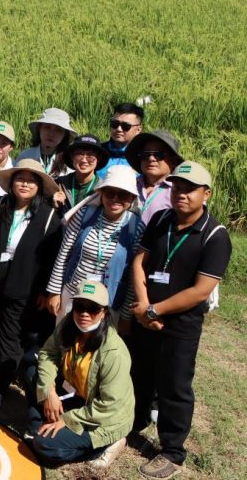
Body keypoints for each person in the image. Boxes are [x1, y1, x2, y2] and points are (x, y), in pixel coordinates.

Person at [128, 162, 231, 480]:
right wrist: (144, 305)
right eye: (176, 187)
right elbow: (139, 260)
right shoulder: (161, 219)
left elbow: (201, 291)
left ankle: (172, 451)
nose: (181, 194)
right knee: (140, 372)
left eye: (189, 188)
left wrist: (155, 310)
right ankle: (133, 423)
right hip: (148, 315)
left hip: (181, 324)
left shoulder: (215, 236)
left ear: (206, 193)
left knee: (174, 385)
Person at [0, 159, 63, 410]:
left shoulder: (48, 217)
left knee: (11, 334)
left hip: (24, 284)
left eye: (31, 180)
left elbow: (51, 258)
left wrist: (46, 291)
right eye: (20, 178)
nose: (24, 184)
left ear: (39, 186)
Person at [28, 282, 134, 470]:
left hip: (101, 417)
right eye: (79, 307)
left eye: (93, 309)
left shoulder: (114, 352)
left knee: (44, 446)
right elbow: (47, 354)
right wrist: (49, 392)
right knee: (30, 369)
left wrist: (67, 419)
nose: (84, 313)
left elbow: (109, 406)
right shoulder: (68, 325)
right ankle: (42, 425)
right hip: (74, 393)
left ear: (103, 312)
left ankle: (106, 446)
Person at [45, 165, 144, 322]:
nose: (115, 199)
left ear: (132, 198)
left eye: (123, 194)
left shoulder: (136, 227)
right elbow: (64, 253)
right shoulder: (84, 214)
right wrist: (54, 292)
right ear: (101, 193)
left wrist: (125, 316)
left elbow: (133, 275)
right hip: (73, 295)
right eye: (110, 192)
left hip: (107, 303)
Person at [126, 129, 183, 225]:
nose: (151, 158)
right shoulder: (128, 184)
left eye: (159, 154)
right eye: (145, 154)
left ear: (173, 160)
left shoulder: (181, 190)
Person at [53, 134, 108, 211]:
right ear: (72, 157)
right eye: (79, 154)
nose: (84, 160)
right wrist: (54, 206)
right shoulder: (59, 184)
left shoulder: (103, 190)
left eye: (90, 155)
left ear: (98, 159)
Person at [17, 108, 75, 178]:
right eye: (47, 127)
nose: (51, 134)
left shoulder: (69, 161)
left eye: (58, 130)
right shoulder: (26, 156)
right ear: (39, 129)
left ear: (64, 135)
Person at [99, 102, 145, 177]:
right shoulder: (98, 152)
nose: (119, 129)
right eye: (115, 124)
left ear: (138, 129)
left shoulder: (144, 157)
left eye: (126, 126)